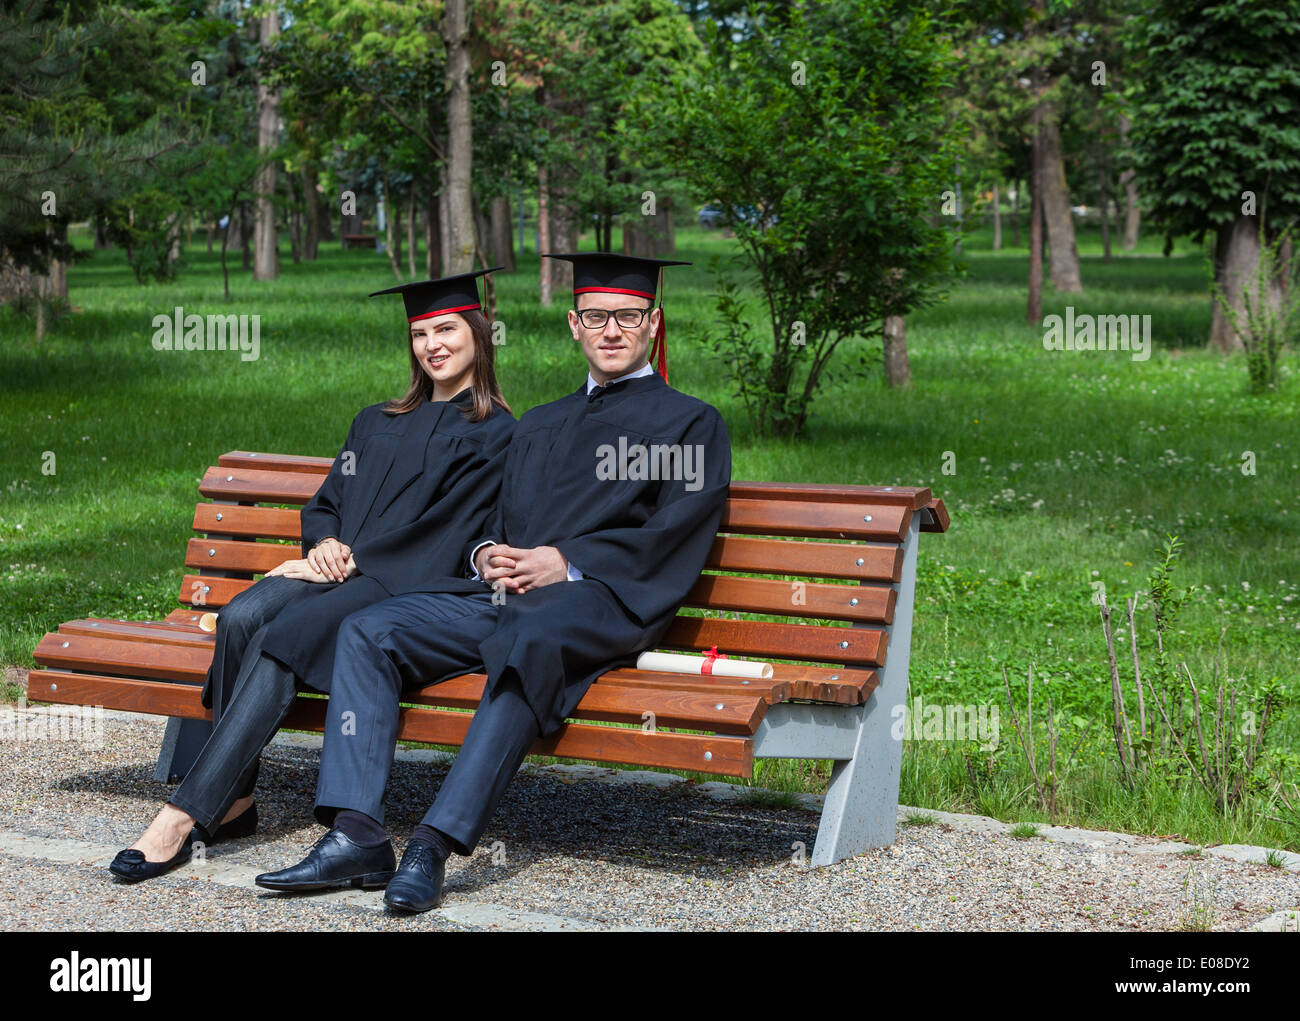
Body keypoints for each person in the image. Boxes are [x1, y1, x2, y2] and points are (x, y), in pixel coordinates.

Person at [255, 252, 732, 912]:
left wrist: (565, 563)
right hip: (504, 598)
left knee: (531, 632)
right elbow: (493, 523)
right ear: (574, 325)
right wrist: (485, 556)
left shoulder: (690, 422)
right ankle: (357, 832)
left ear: (653, 323)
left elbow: (674, 534)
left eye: (627, 316)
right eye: (596, 316)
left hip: (600, 602)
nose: (611, 330)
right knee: (369, 628)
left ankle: (433, 842)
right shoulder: (540, 423)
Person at [108, 270, 515, 882]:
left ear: (479, 335)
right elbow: (328, 500)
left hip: (402, 583)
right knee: (244, 614)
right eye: (420, 333)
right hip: (335, 568)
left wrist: (354, 561)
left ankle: (180, 815)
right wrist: (322, 542)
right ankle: (238, 799)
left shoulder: (494, 433)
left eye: (446, 329)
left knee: (287, 634)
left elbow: (449, 534)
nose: (433, 344)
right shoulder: (374, 420)